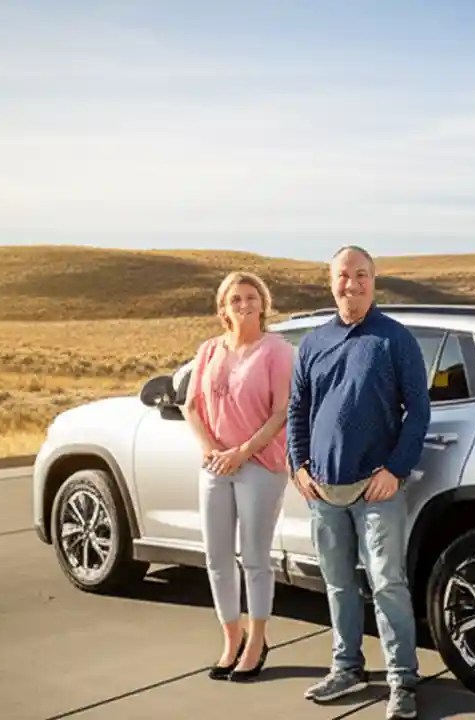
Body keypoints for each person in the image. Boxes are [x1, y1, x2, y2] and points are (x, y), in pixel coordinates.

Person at [287, 245, 430, 720]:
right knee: (338, 584)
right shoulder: (312, 343)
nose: (353, 283)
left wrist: (396, 470)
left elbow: (419, 411)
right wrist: (299, 466)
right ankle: (346, 668)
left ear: (375, 280)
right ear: (331, 282)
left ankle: (402, 681)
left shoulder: (395, 339)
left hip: (376, 487)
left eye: (362, 275)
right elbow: (297, 412)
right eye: (344, 275)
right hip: (323, 489)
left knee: (387, 583)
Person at [181, 271, 294, 682]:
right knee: (216, 558)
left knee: (255, 558)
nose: (244, 304)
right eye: (235, 299)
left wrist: (241, 452)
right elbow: (191, 406)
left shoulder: (278, 351)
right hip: (214, 465)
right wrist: (212, 450)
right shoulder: (209, 350)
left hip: (260, 466)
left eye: (251, 297)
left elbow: (281, 412)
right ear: (222, 309)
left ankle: (258, 640)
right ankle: (231, 637)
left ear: (263, 304)